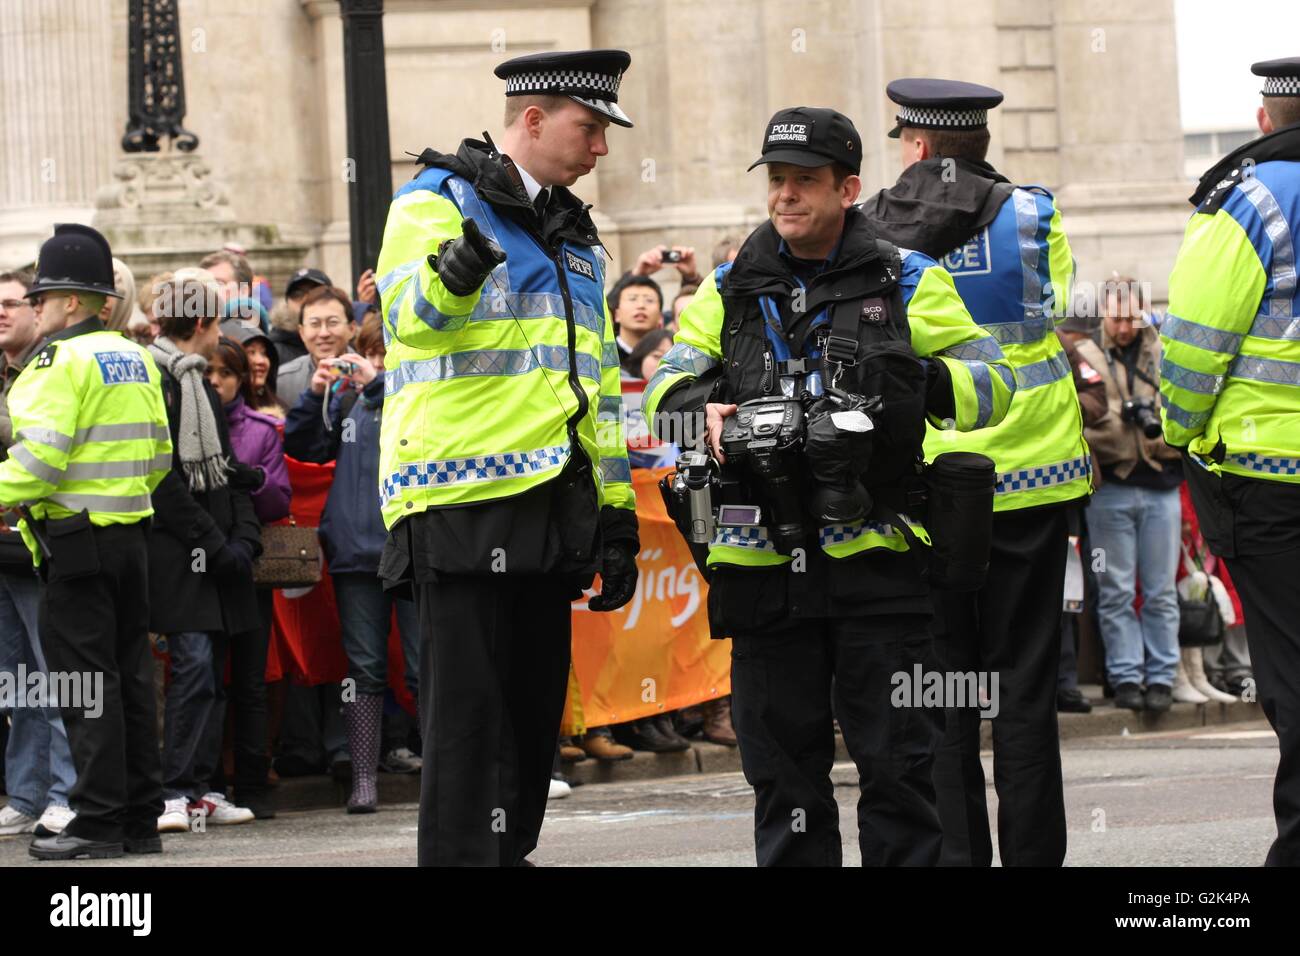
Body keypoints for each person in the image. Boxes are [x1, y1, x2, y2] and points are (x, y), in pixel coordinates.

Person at [645, 107, 1015, 866]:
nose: (785, 196)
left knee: (903, 771)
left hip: (879, 559)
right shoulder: (727, 287)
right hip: (761, 567)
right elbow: (665, 390)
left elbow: (996, 385)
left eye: (804, 182)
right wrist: (697, 412)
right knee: (784, 782)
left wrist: (906, 384)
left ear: (848, 188)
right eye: (776, 180)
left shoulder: (910, 277)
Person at [376, 48, 639, 866]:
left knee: (531, 718)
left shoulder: (576, 236)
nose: (600, 148)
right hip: (459, 502)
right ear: (532, 119)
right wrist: (453, 276)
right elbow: (409, 322)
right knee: (466, 720)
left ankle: (509, 855)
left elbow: (597, 386)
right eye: (588, 127)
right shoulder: (435, 200)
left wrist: (619, 514)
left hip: (553, 505)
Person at [861, 78, 1090, 867]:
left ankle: (957, 857)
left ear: (918, 146)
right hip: (1034, 479)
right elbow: (1056, 308)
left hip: (932, 483)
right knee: (1026, 686)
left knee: (943, 688)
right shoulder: (1033, 213)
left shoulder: (873, 230)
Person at [1161, 56, 1300, 866]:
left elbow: (1194, 344)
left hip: (1266, 480)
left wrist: (1183, 433)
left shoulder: (1250, 200)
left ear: (1263, 118)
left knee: (1288, 668)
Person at [0, 224, 171, 860]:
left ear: (71, 302)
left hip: (74, 545)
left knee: (85, 689)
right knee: (128, 682)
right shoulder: (135, 358)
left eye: (39, 298)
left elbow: (37, 463)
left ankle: (97, 822)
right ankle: (136, 820)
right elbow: (159, 457)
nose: (33, 309)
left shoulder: (56, 362)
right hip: (130, 540)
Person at [283, 312, 421, 813]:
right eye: (373, 354)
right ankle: (364, 780)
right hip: (356, 551)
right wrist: (314, 394)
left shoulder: (416, 397)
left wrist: (380, 382)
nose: (377, 365)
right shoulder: (346, 403)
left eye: (388, 356)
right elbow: (301, 446)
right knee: (363, 667)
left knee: (428, 667)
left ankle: (448, 774)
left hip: (416, 546)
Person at [145, 269, 264, 832]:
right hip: (180, 555)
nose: (222, 334)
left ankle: (201, 788)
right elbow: (162, 479)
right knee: (191, 668)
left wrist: (241, 533)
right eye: (217, 321)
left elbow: (218, 472)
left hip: (215, 557)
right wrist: (213, 544)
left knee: (212, 673)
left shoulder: (196, 381)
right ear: (198, 322)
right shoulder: (159, 380)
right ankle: (172, 791)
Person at [1073, 278, 1182, 714]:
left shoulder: (1163, 352)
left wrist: (1153, 417)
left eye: (1131, 317)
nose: (1124, 327)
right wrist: (1122, 417)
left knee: (1160, 590)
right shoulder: (1084, 354)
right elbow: (1076, 414)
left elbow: (1183, 406)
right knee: (1116, 589)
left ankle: (1162, 677)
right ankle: (1125, 676)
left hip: (1161, 484)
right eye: (1116, 318)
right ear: (1103, 315)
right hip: (1112, 486)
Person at [0, 270, 77, 840]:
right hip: (1, 552)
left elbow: (35, 446)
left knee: (54, 680)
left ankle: (64, 794)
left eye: (8, 303)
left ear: (35, 310)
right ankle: (27, 792)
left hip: (35, 545)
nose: (0, 314)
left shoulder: (52, 366)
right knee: (16, 681)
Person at [205, 335, 292, 817]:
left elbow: (281, 498)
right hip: (201, 566)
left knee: (251, 680)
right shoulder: (183, 425)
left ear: (241, 379)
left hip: (249, 565)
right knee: (204, 677)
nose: (215, 381)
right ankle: (209, 781)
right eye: (208, 373)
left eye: (225, 373)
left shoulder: (259, 429)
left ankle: (254, 783)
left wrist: (252, 478)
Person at [276, 285, 355, 408]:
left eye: (333, 322)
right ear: (301, 332)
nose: (324, 333)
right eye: (315, 324)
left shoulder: (369, 374)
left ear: (351, 328)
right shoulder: (284, 381)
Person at [269, 267, 333, 365]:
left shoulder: (346, 341)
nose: (306, 299)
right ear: (287, 303)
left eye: (316, 292)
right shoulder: (272, 351)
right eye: (297, 294)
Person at [610, 274, 665, 374]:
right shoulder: (606, 353)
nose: (641, 306)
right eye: (632, 299)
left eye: (649, 300)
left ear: (661, 318)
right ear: (616, 315)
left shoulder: (669, 357)